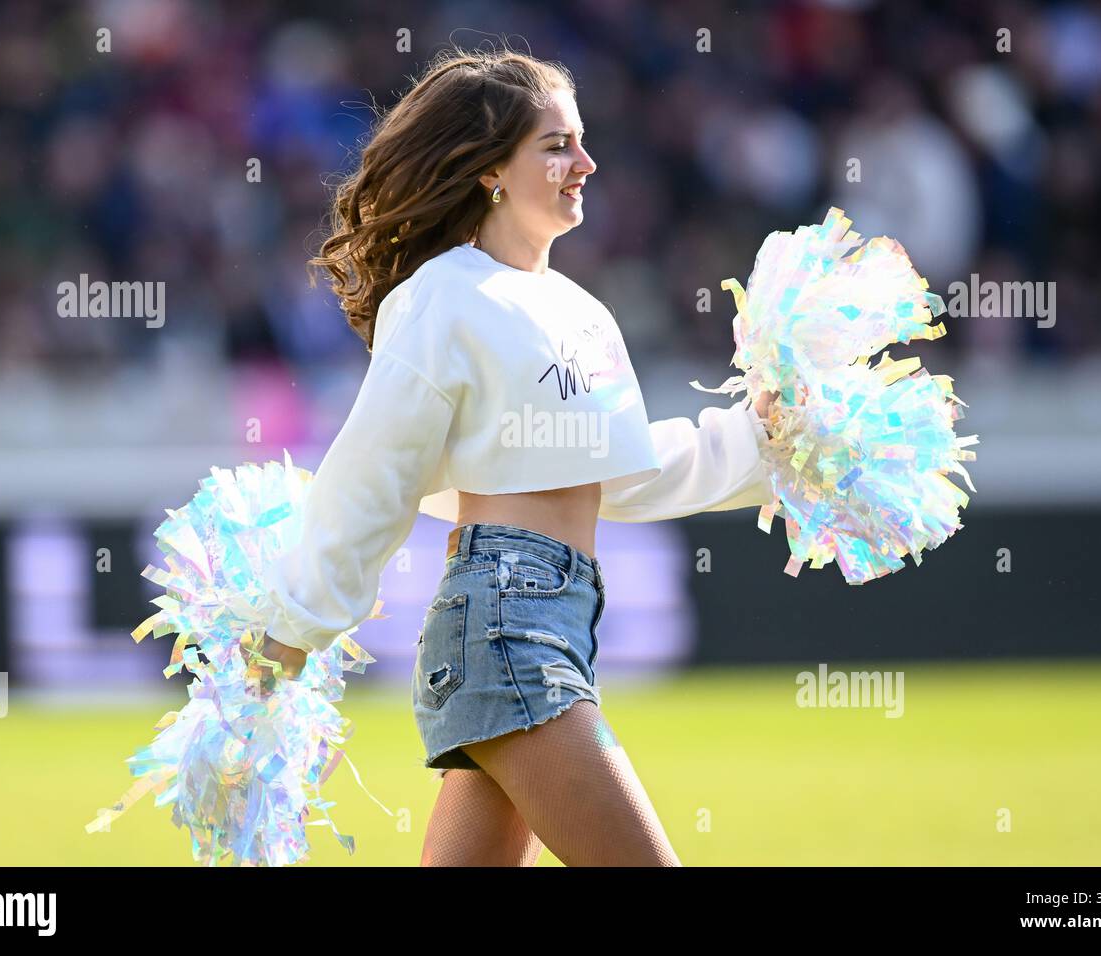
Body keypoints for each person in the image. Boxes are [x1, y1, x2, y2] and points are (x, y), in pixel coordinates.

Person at [257, 46, 777, 867]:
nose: (586, 163)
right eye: (557, 145)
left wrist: (762, 438)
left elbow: (629, 473)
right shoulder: (444, 295)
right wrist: (290, 632)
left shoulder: (580, 310)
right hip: (504, 623)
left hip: (562, 621)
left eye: (582, 141)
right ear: (490, 169)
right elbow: (372, 472)